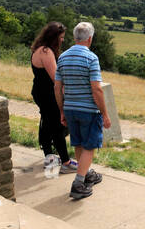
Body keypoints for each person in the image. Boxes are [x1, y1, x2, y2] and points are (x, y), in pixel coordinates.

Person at [54, 22, 111, 200]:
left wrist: (62, 111)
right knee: (90, 146)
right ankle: (78, 183)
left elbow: (57, 88)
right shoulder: (91, 58)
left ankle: (86, 173)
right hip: (88, 111)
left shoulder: (62, 57)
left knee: (79, 144)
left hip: (70, 109)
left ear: (74, 37)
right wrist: (105, 113)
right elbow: (97, 89)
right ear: (90, 38)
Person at [30, 21, 75, 175]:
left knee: (47, 123)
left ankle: (49, 157)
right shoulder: (45, 52)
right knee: (56, 127)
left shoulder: (39, 48)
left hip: (40, 92)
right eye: (61, 37)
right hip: (47, 95)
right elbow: (56, 78)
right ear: (54, 37)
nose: (62, 40)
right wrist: (67, 93)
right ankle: (66, 162)